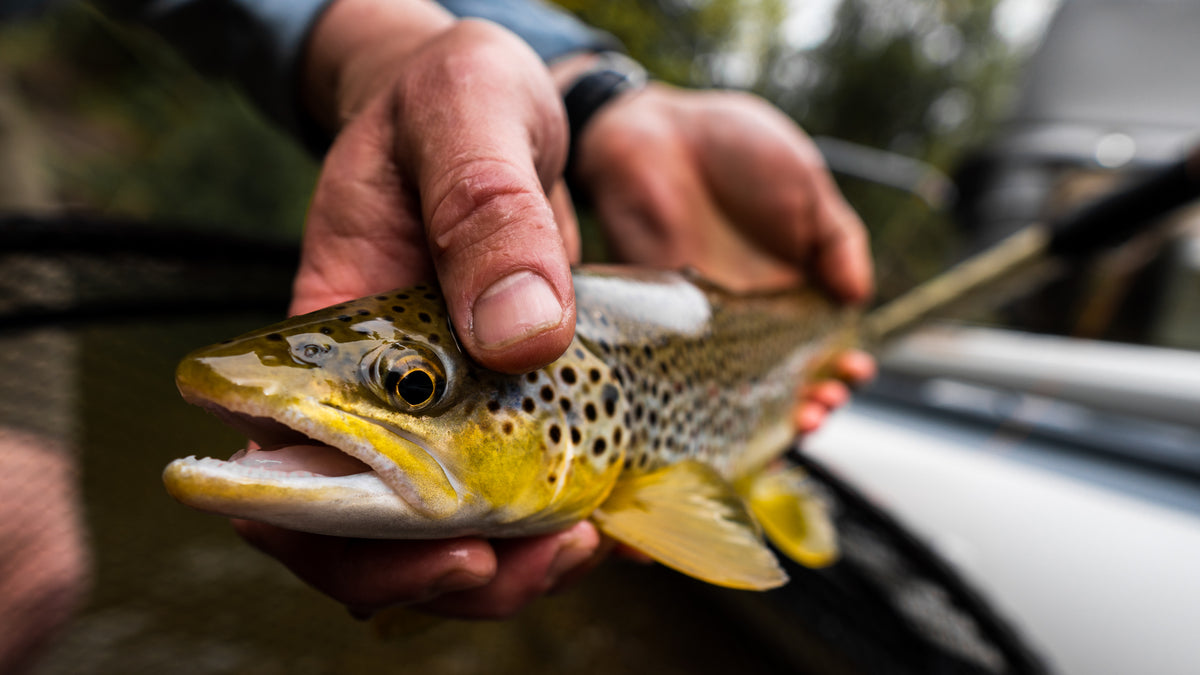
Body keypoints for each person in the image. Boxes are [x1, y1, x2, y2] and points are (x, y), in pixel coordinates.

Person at [3, 0, 875, 629]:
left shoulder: (637, 477)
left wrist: (601, 104)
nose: (412, 386)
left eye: (412, 384)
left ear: (577, 430)